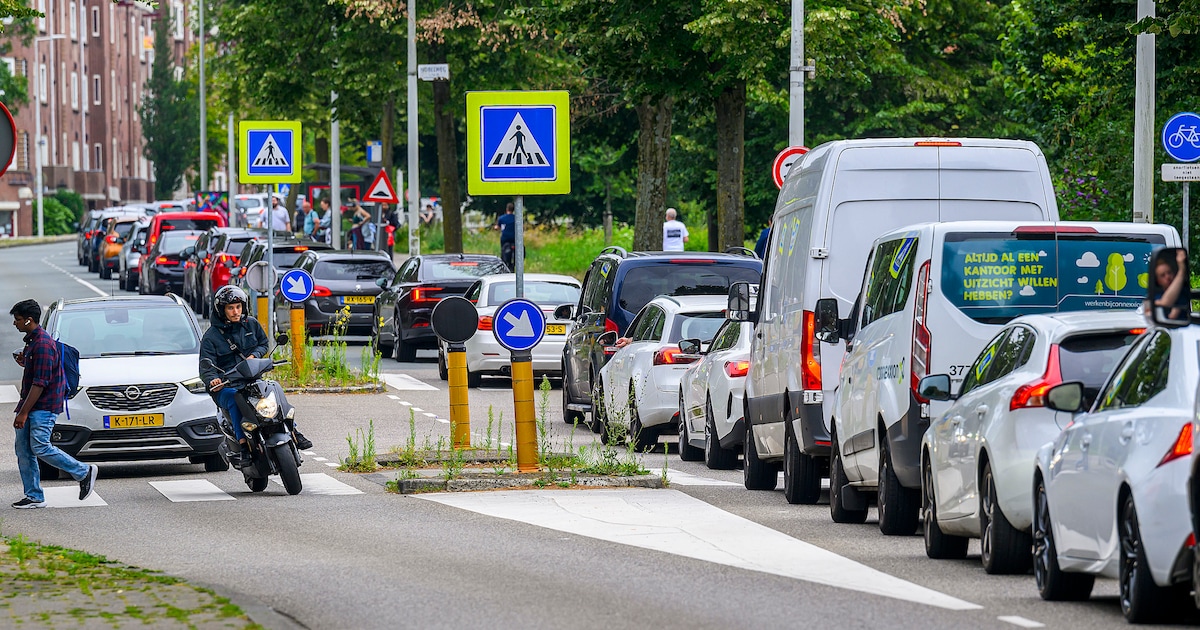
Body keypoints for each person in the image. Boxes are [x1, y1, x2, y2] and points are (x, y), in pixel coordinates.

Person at [200, 287, 313, 466]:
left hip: (251, 377)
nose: (235, 311)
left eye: (238, 307)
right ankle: (243, 445)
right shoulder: (211, 337)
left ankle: (293, 430)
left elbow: (263, 343)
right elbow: (206, 366)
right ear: (221, 310)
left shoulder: (251, 324)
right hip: (227, 385)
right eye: (230, 308)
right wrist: (213, 379)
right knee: (235, 399)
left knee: (273, 388)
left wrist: (255, 356)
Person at [9, 299, 98, 508]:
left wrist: (23, 413)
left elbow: (40, 383)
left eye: (18, 320)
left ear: (29, 320)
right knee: (23, 450)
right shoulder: (33, 342)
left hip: (43, 406)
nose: (15, 324)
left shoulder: (42, 344)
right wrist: (25, 361)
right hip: (33, 404)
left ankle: (84, 471)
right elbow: (39, 373)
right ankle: (34, 496)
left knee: (40, 446)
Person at [1152, 249, 1190, 320]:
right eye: (1162, 275)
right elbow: (1165, 304)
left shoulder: (1182, 293)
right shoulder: (1156, 296)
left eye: (1169, 272)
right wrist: (1181, 270)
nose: (1168, 277)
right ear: (1158, 281)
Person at [496, 202, 516, 269]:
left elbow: (498, 227)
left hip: (505, 238)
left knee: (503, 250)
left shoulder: (502, 218)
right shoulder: (516, 218)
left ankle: (504, 261)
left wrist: (496, 228)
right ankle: (515, 261)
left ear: (507, 209)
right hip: (514, 238)